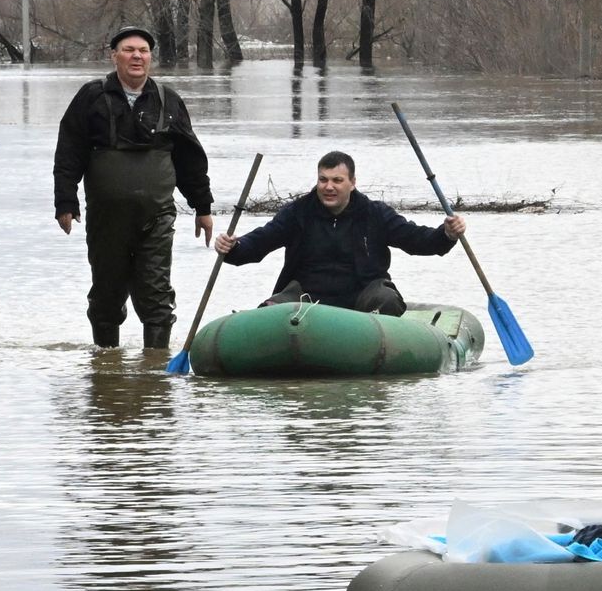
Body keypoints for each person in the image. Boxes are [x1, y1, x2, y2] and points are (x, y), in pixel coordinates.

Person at [53, 25, 214, 349]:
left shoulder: (169, 100)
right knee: (106, 296)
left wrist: (203, 207)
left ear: (150, 58)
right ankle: (105, 367)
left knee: (156, 295)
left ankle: (154, 373)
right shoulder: (92, 97)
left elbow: (189, 159)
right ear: (114, 56)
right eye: (129, 50)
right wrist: (65, 203)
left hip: (156, 217)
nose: (137, 56)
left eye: (143, 51)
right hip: (106, 218)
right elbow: (69, 153)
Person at [213, 151, 464, 315]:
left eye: (337, 180)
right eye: (323, 180)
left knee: (387, 300)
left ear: (352, 182)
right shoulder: (298, 213)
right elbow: (260, 242)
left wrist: (447, 234)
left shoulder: (373, 213)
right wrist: (233, 248)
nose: (329, 187)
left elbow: (417, 240)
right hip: (307, 297)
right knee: (270, 311)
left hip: (362, 296)